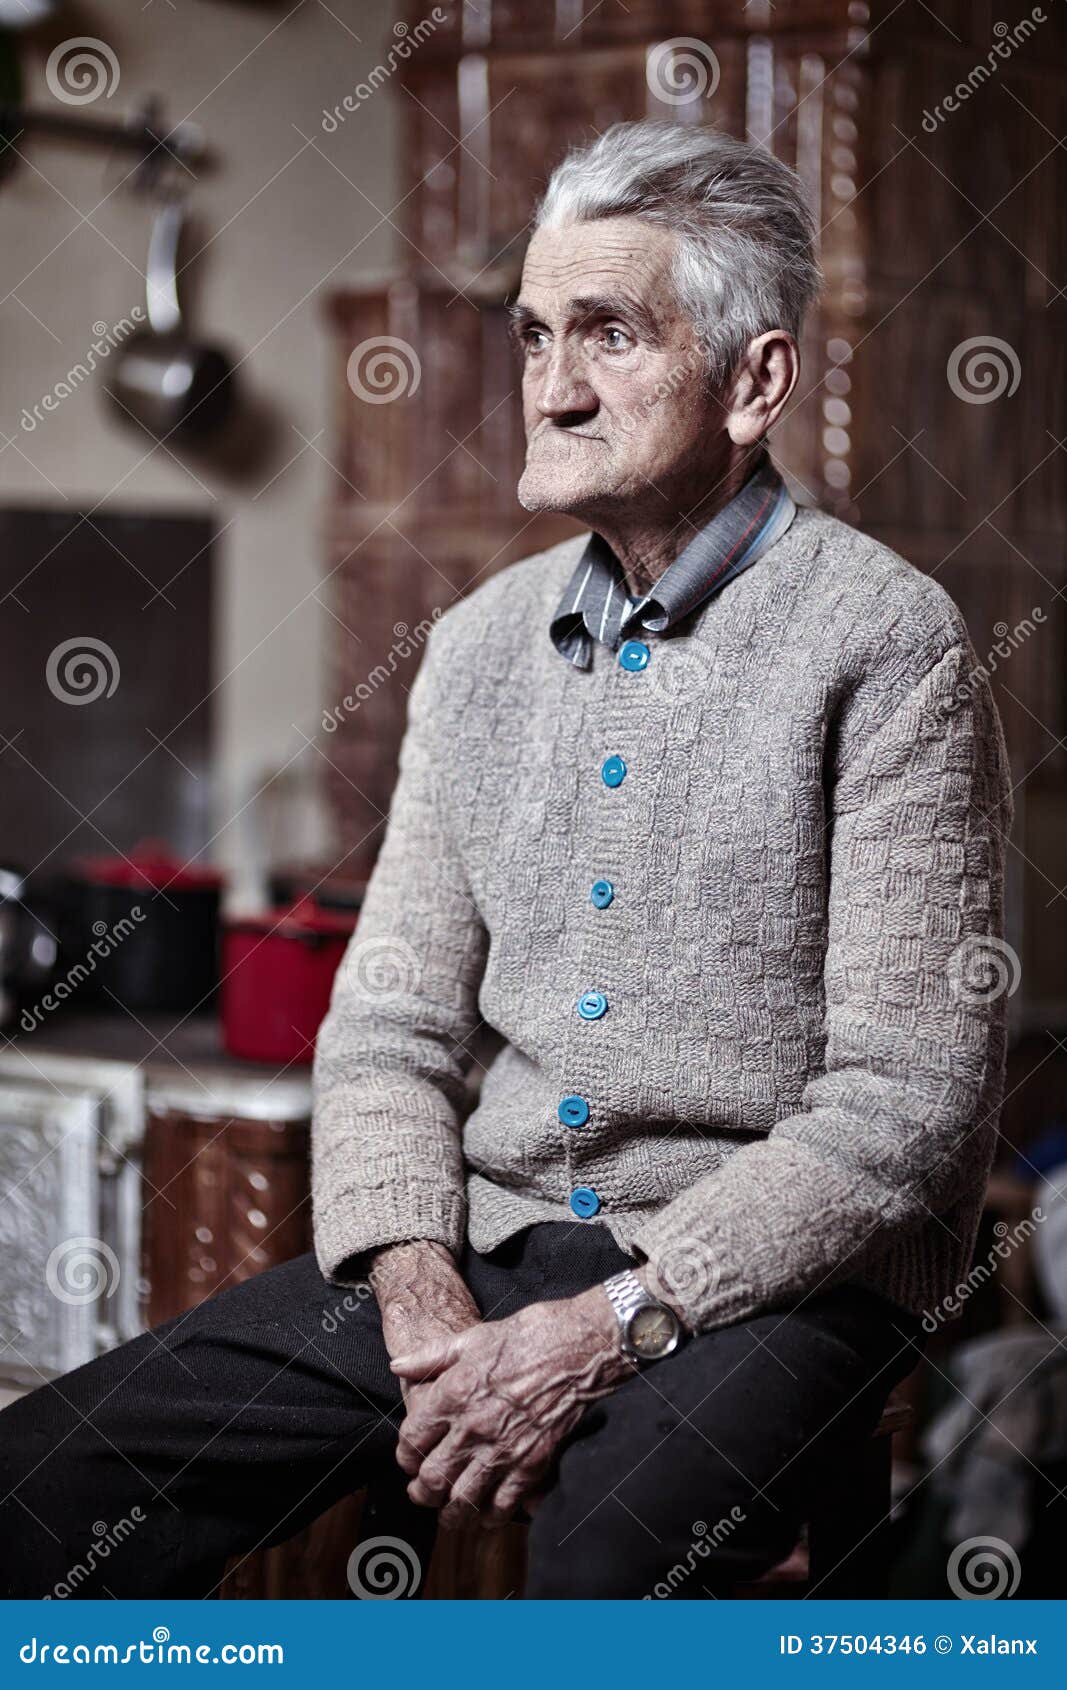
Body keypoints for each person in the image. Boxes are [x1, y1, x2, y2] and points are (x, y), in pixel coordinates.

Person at [0, 120, 1013, 1600]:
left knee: (611, 1566)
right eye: (536, 334)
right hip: (488, 1244)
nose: (551, 386)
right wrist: (419, 1295)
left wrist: (605, 1328)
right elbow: (388, 1030)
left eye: (610, 333)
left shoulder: (888, 641)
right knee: (48, 1479)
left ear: (756, 384)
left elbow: (908, 1103)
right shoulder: (477, 648)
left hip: (781, 1278)